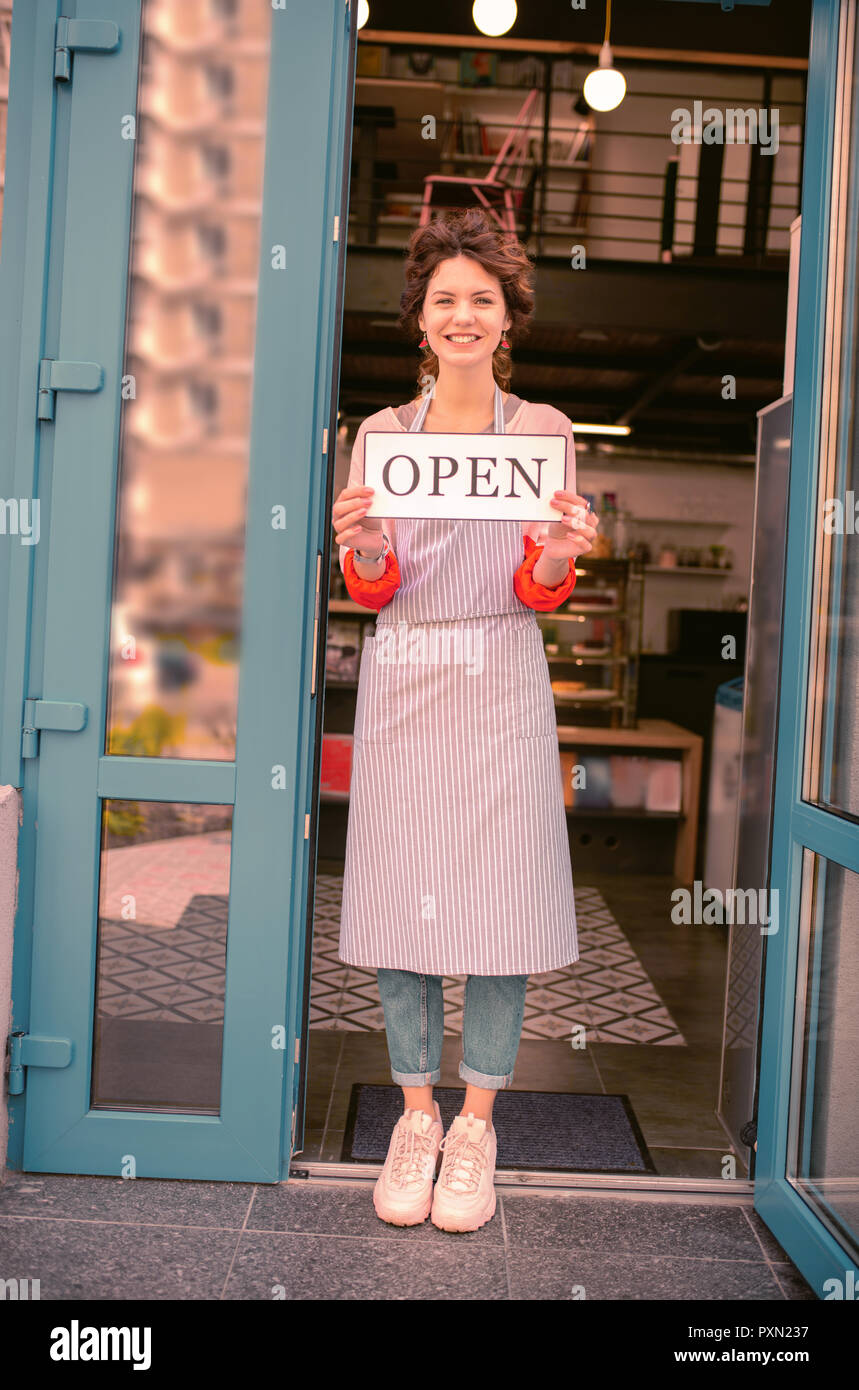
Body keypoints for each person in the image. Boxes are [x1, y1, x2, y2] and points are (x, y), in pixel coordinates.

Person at [331, 208, 599, 1233]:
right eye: (444, 298)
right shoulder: (380, 438)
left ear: (507, 316)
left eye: (480, 299)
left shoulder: (544, 434)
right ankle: (413, 1114)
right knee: (405, 899)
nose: (462, 314)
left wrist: (563, 552)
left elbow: (539, 586)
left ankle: (477, 1122)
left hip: (497, 669)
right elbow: (374, 583)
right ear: (419, 317)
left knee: (497, 903)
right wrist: (355, 541)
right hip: (405, 665)